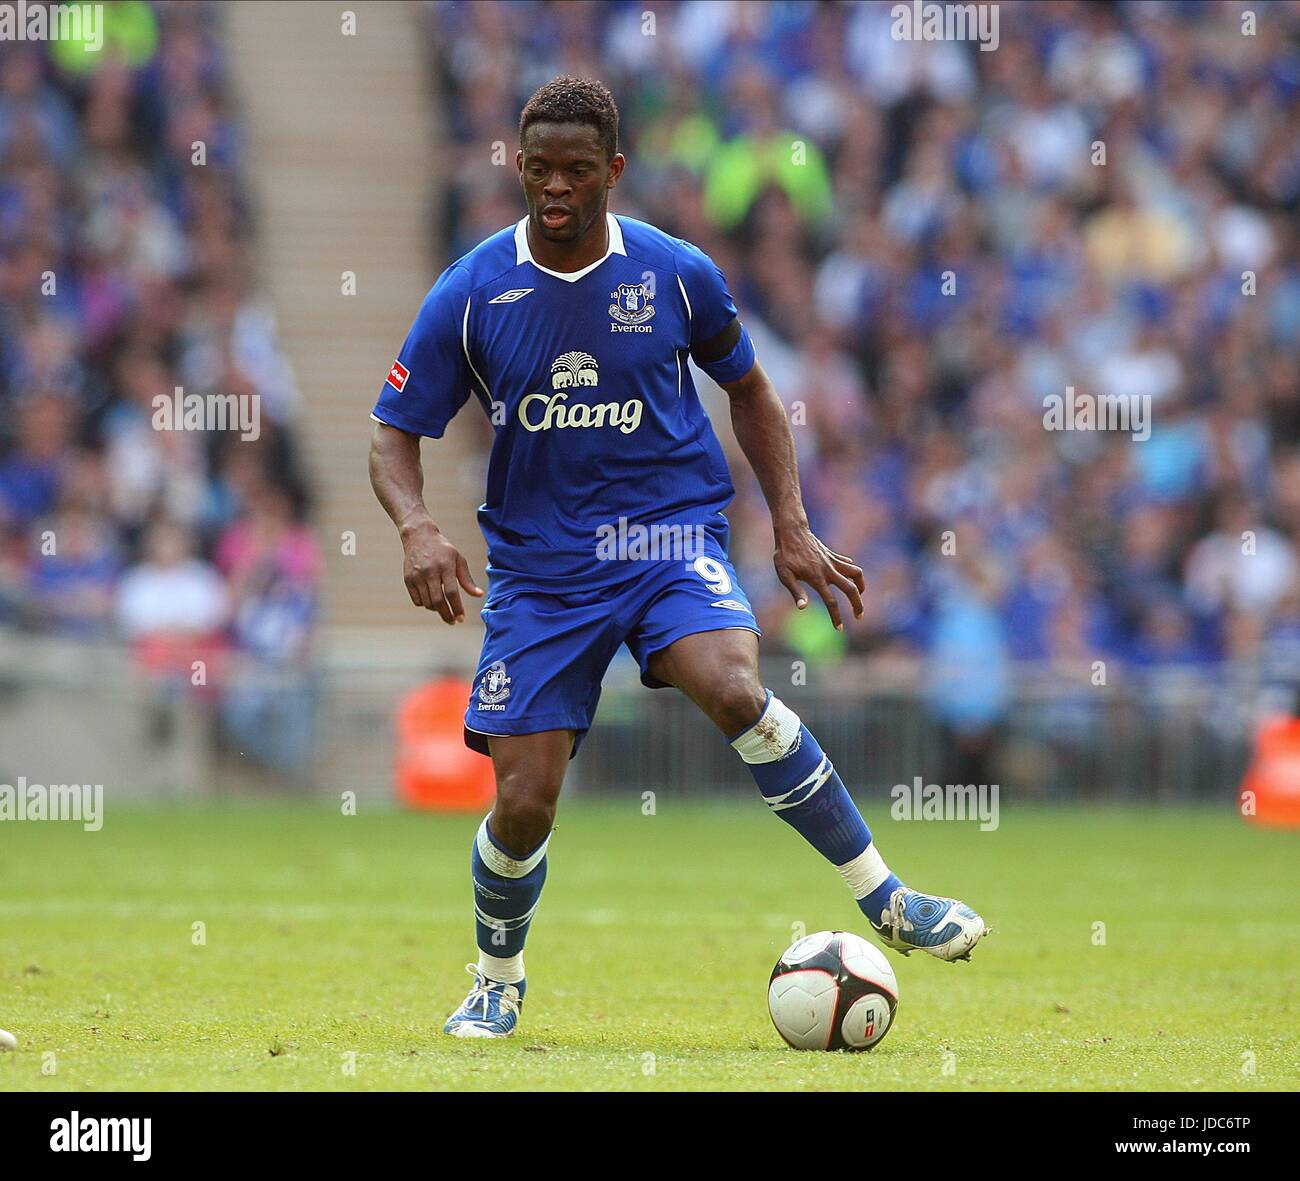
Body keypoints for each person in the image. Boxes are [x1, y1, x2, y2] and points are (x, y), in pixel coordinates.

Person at [368, 77, 986, 1039]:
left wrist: (789, 519)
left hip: (667, 540)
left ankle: (888, 899)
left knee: (735, 687)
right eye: (539, 170)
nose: (556, 189)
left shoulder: (675, 272)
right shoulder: (473, 289)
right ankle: (496, 976)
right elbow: (391, 433)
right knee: (525, 802)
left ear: (614, 170)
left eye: (577, 170)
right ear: (518, 166)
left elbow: (751, 391)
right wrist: (414, 524)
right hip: (540, 570)